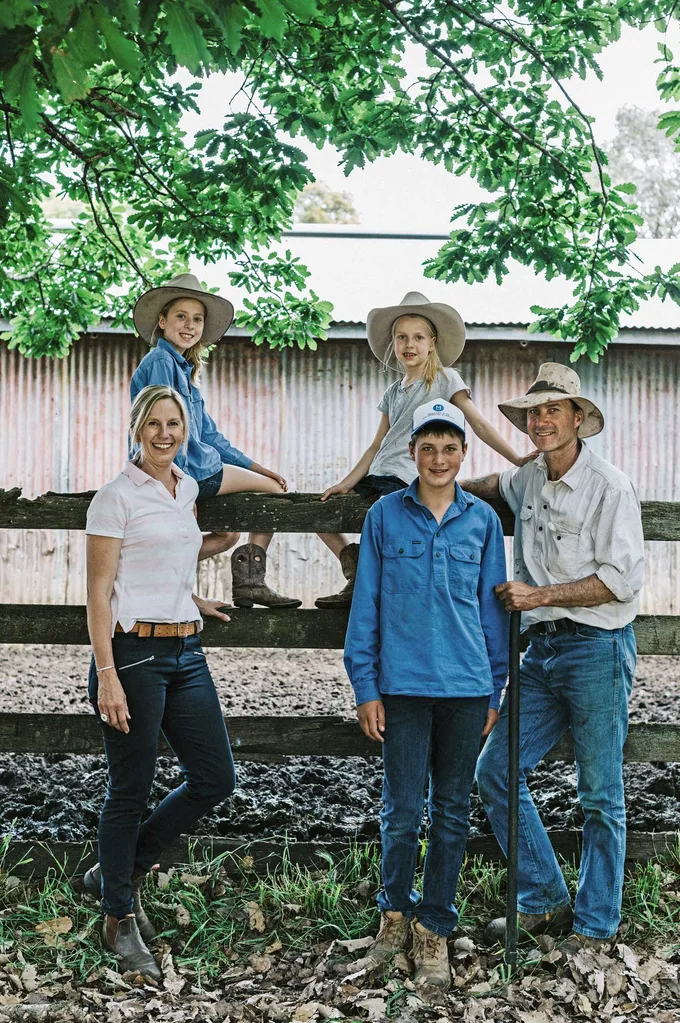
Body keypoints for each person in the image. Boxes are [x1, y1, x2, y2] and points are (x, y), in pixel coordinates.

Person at [465, 363, 644, 954]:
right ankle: (543, 898)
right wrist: (440, 486)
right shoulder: (530, 479)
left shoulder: (609, 487)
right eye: (533, 413)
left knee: (600, 794)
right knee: (494, 771)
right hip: (540, 654)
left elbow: (620, 580)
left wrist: (540, 595)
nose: (541, 420)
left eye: (553, 410)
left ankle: (595, 927)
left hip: (596, 648)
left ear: (577, 420)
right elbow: (496, 487)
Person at [344, 399, 509, 993]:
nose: (438, 458)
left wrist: (496, 687)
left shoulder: (483, 521)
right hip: (403, 689)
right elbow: (366, 606)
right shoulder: (386, 516)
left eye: (449, 447)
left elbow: (493, 612)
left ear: (464, 454)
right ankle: (393, 919)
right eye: (427, 447)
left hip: (467, 690)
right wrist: (366, 685)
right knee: (401, 810)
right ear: (411, 452)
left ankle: (433, 928)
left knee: (452, 814)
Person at [84, 384, 239, 980]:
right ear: (137, 428)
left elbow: (164, 563)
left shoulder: (187, 489)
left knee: (215, 776)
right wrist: (107, 675)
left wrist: (192, 598)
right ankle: (119, 915)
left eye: (175, 423)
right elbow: (100, 591)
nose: (166, 433)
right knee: (130, 788)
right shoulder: (115, 498)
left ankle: (114, 873)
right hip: (135, 656)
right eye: (155, 423)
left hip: (187, 649)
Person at [315, 291, 533, 608]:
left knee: (382, 524)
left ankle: (365, 589)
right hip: (378, 474)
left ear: (432, 342)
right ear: (393, 343)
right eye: (401, 337)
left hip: (406, 475)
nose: (409, 344)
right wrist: (345, 483)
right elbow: (377, 444)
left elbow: (479, 423)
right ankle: (354, 571)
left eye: (418, 337)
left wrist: (517, 458)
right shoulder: (393, 391)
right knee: (322, 514)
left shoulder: (445, 379)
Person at [131, 273, 300, 609]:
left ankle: (244, 582)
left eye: (198, 319)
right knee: (269, 497)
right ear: (162, 322)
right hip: (182, 472)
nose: (190, 325)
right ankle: (224, 585)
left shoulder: (185, 370)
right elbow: (164, 431)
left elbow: (209, 435)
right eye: (181, 316)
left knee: (229, 535)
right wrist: (177, 486)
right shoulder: (162, 362)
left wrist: (257, 466)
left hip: (199, 467)